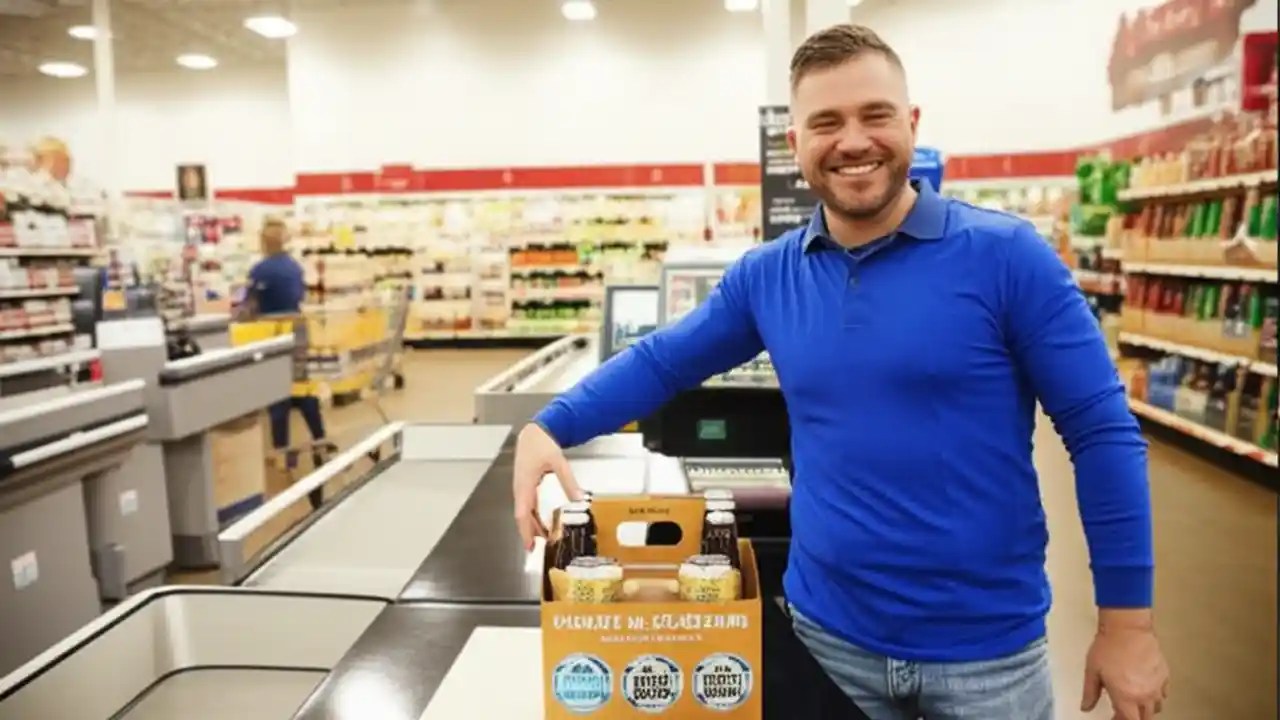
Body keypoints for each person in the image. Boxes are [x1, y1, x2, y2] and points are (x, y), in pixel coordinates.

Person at [511, 23, 1170, 720]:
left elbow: (1102, 434)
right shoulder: (769, 277)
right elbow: (663, 359)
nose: (853, 141)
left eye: (875, 115)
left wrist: (1127, 626)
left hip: (988, 661)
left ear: (911, 124)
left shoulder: (1007, 258)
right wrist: (549, 425)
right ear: (795, 145)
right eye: (826, 122)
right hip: (826, 644)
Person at [246, 219, 329, 471]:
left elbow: (250, 305)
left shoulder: (259, 270)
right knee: (304, 388)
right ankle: (320, 439)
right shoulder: (294, 267)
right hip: (298, 330)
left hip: (272, 333)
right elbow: (299, 297)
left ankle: (282, 450)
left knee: (278, 393)